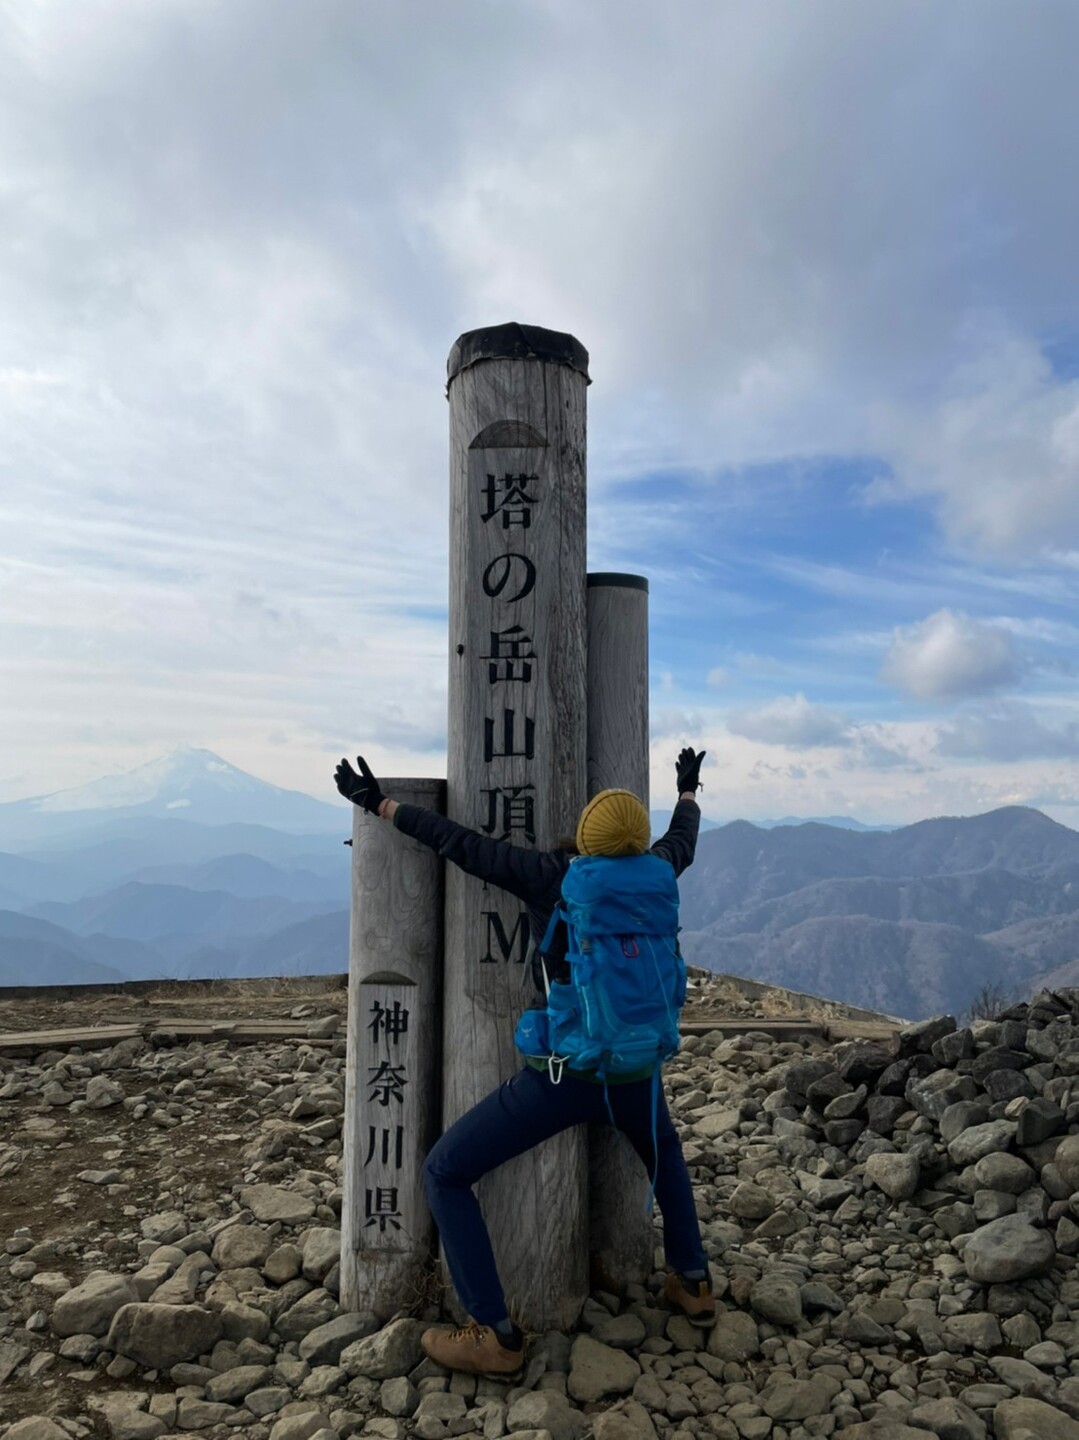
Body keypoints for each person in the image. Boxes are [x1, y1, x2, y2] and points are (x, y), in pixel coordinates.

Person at [334, 747, 714, 1377]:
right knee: (666, 1154)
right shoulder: (661, 872)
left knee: (445, 1171)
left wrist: (379, 803)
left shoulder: (552, 878)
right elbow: (685, 838)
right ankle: (693, 1283)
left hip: (562, 1079)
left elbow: (460, 844)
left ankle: (496, 1335)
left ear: (587, 836)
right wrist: (689, 789)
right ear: (636, 841)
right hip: (638, 1076)